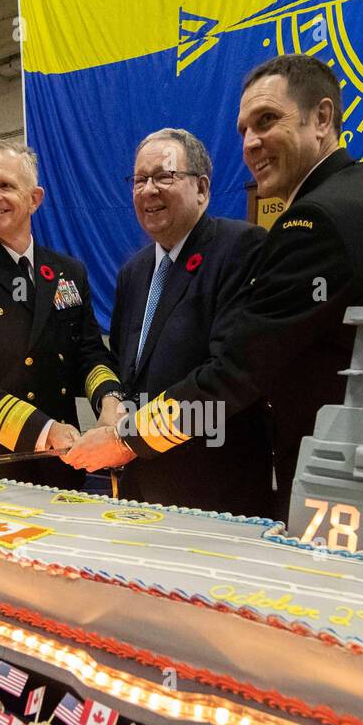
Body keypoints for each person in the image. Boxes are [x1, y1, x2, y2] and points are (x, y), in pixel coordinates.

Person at [66, 54, 363, 545]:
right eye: (242, 130)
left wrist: (125, 438)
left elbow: (236, 373)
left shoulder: (316, 221)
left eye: (267, 121)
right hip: (360, 474)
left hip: (347, 487)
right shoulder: (356, 199)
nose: (251, 143)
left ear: (322, 119)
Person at [0, 139, 123, 489]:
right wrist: (45, 431)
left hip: (64, 466)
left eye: (5, 185)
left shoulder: (68, 272)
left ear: (34, 199)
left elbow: (89, 352)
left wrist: (109, 400)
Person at [109, 127, 271, 516]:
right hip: (138, 486)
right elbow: (125, 367)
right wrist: (112, 405)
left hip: (213, 490)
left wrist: (129, 438)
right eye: (139, 180)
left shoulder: (240, 248)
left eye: (164, 176)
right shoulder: (133, 272)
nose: (148, 190)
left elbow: (230, 378)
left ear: (201, 188)